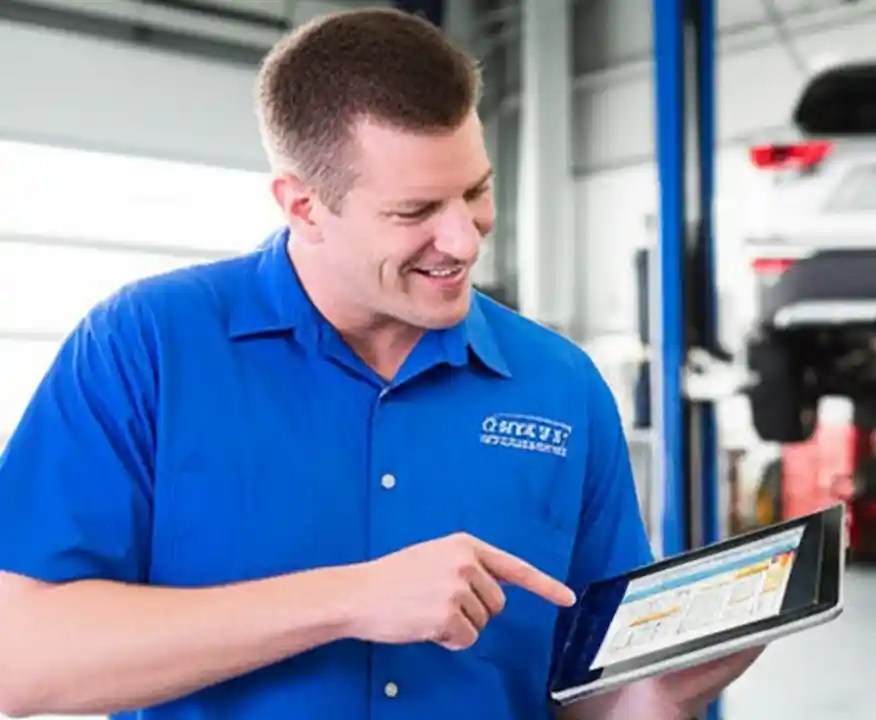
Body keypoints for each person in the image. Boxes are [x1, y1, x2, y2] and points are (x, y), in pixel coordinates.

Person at [0, 8, 759, 719]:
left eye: (476, 191)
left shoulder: (561, 385)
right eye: (415, 211)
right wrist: (349, 600)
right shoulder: (148, 348)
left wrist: (659, 694)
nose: (463, 240)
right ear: (302, 207)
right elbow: (19, 660)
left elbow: (593, 695)